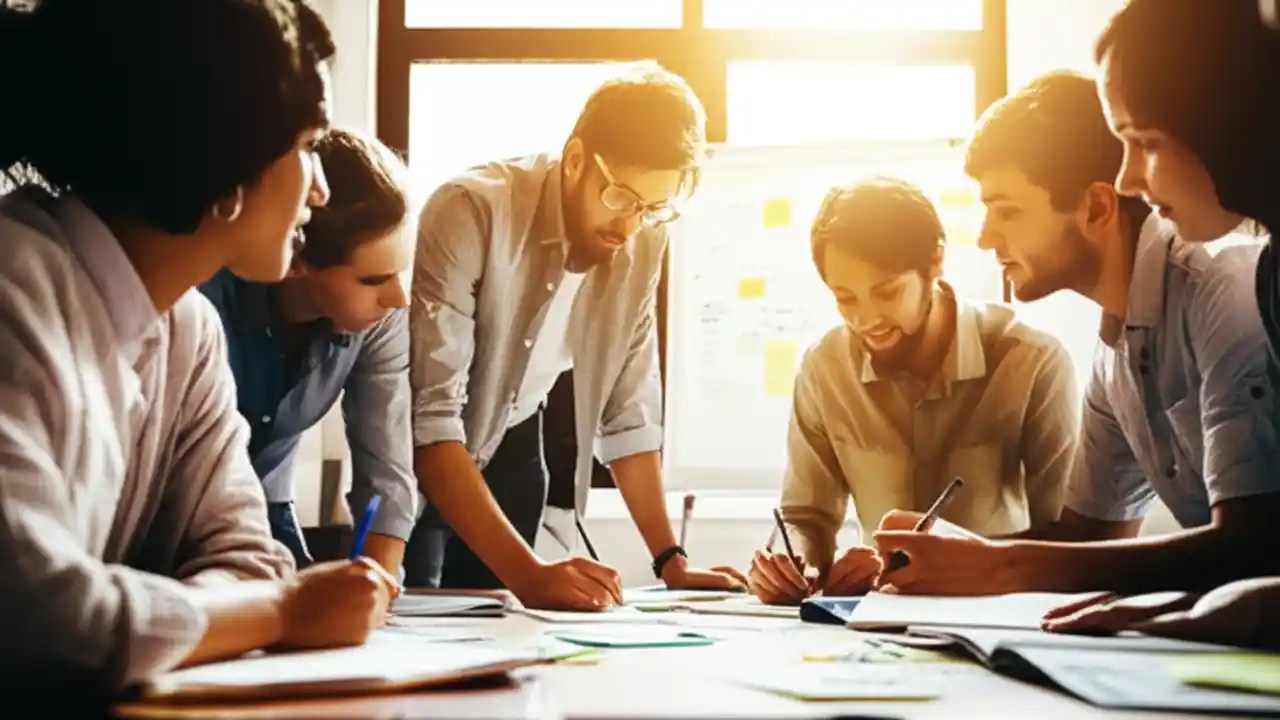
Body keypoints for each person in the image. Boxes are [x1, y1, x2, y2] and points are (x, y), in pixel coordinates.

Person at [0, 0, 394, 697]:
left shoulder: (187, 329)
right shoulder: (15, 286)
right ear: (227, 163)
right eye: (307, 147)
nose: (321, 188)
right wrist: (281, 611)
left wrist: (242, 607)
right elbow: (40, 615)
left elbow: (247, 556)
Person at [871, 70, 1280, 598]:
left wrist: (1001, 567)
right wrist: (935, 557)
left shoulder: (1221, 293)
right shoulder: (1115, 354)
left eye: (1007, 211)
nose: (985, 236)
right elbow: (1086, 537)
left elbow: (1255, 545)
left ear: (1096, 207)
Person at [407, 62, 745, 610]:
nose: (629, 225)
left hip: (516, 446)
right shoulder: (469, 210)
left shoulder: (643, 239)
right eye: (620, 198)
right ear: (576, 160)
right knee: (419, 631)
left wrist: (670, 563)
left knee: (499, 635)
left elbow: (628, 413)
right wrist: (531, 573)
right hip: (426, 461)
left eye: (651, 207)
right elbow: (433, 418)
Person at [1031, 0, 1280, 645]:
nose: (1127, 179)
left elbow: (1254, 538)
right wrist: (1190, 610)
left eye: (1145, 142)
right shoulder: (1270, 274)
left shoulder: (1228, 288)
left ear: (1223, 120)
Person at [748, 177, 1079, 605]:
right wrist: (794, 565)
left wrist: (958, 563)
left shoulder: (1030, 360)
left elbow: (1069, 538)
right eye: (845, 298)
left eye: (887, 292)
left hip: (998, 612)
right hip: (876, 618)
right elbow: (805, 517)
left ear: (935, 261)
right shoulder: (823, 368)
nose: (867, 320)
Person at [201, 127, 417, 574]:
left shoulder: (381, 316)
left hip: (268, 506)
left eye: (401, 272)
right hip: (180, 515)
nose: (400, 298)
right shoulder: (205, 303)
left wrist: (379, 583)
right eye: (374, 279)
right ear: (298, 258)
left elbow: (387, 470)